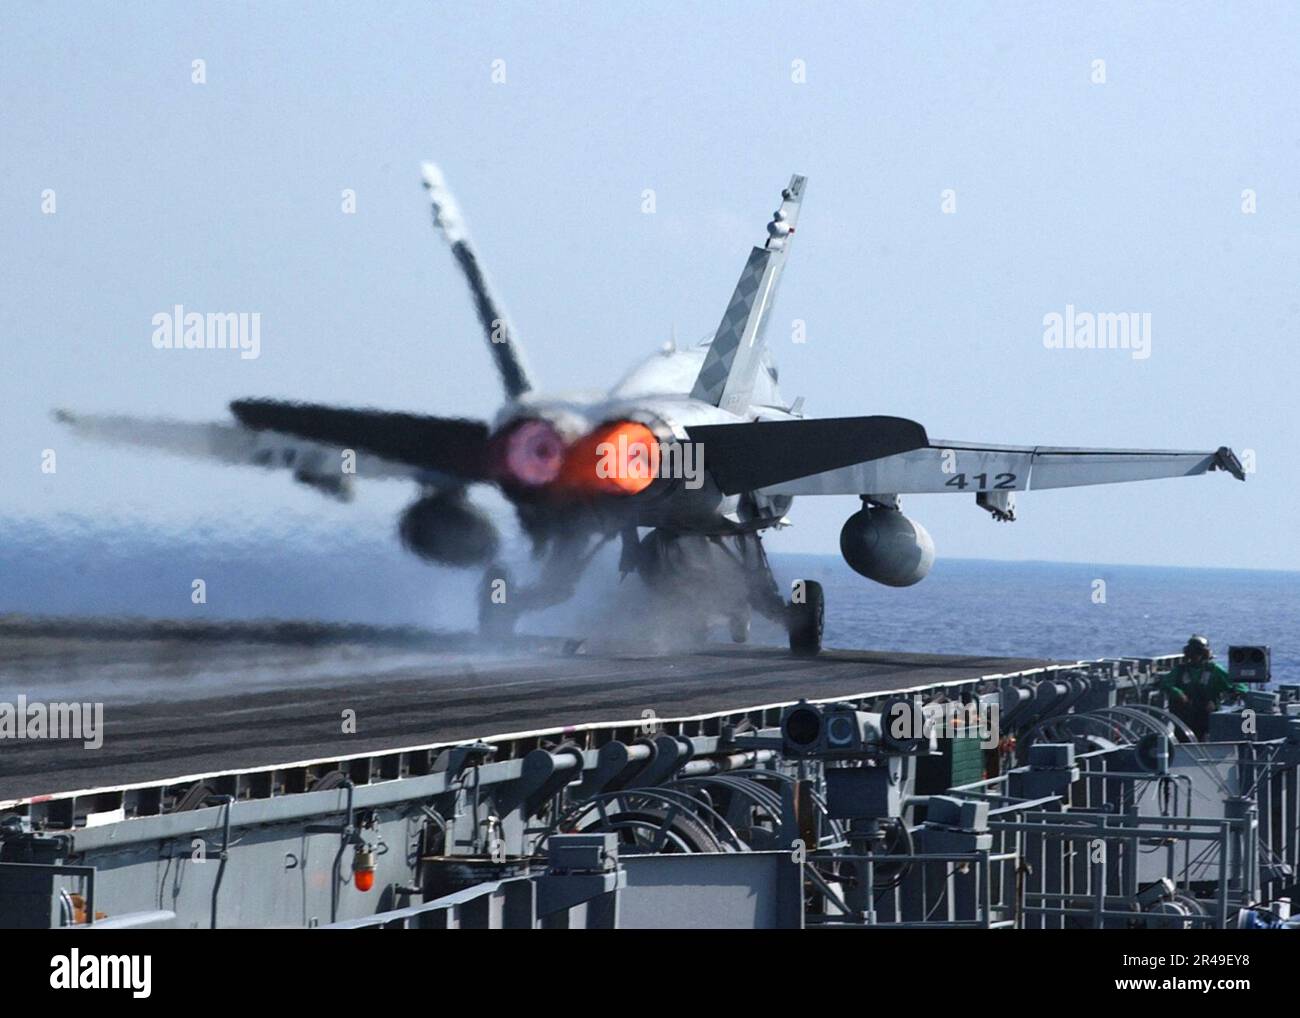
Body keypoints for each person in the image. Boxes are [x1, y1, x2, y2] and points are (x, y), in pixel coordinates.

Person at [1158, 635, 1246, 739]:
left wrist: (1233, 693)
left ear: (1204, 654)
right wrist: (1178, 693)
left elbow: (1238, 686)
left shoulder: (1214, 670)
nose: (1195, 656)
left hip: (1207, 717)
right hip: (1185, 718)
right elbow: (1165, 684)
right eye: (1193, 653)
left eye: (1198, 653)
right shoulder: (1180, 670)